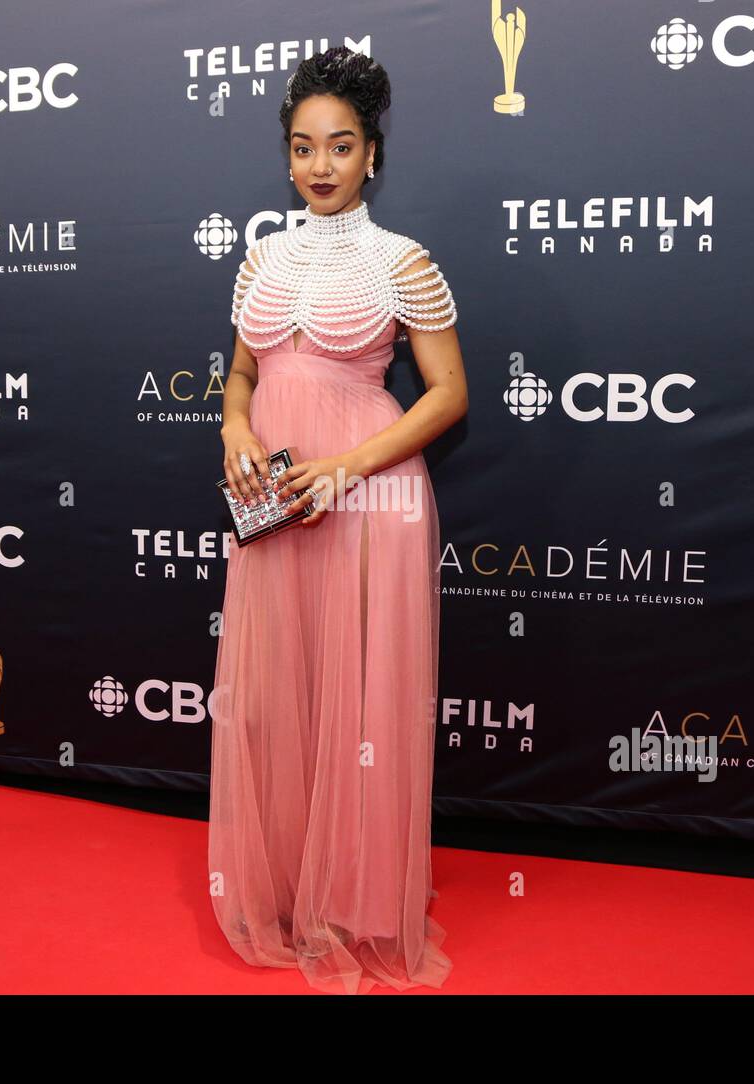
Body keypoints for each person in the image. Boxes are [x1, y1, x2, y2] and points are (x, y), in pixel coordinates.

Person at [208, 46, 468, 995]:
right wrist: (235, 422)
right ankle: (282, 885)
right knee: (285, 693)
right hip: (274, 504)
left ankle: (350, 899)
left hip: (369, 500)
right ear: (287, 157)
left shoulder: (403, 261)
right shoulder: (262, 259)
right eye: (305, 148)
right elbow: (243, 374)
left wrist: (349, 468)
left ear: (372, 157)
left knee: (358, 702)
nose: (321, 165)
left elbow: (447, 395)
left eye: (342, 147)